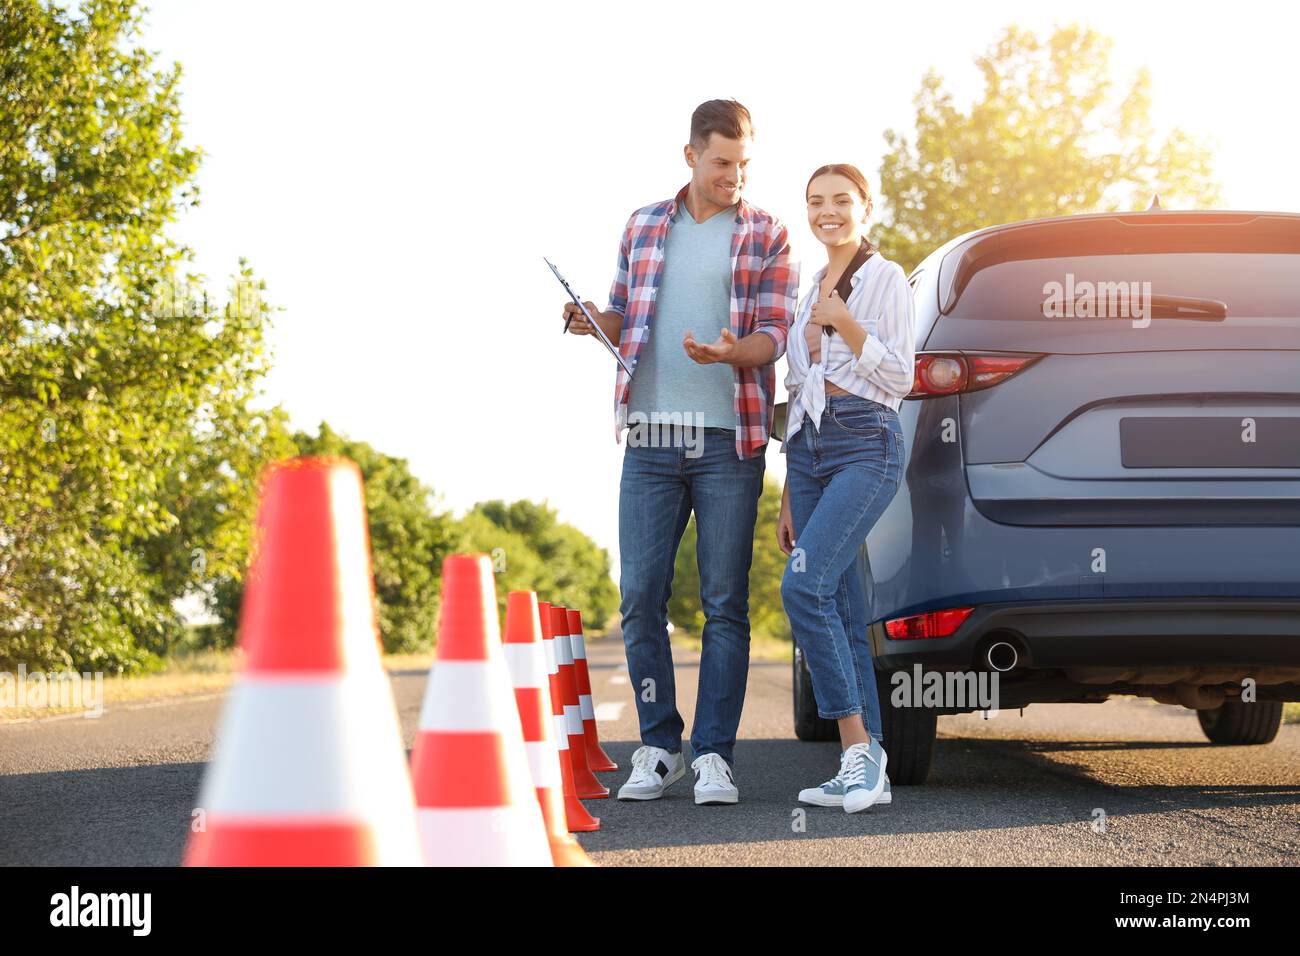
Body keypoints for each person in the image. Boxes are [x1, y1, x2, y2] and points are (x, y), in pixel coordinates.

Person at [562, 99, 797, 805]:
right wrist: (589, 322)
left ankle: (714, 756)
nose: (734, 177)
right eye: (722, 163)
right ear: (691, 156)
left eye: (744, 164)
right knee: (639, 598)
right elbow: (621, 314)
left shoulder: (769, 233)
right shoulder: (643, 225)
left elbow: (775, 334)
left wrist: (735, 352)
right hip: (652, 435)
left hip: (728, 438)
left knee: (724, 601)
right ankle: (659, 746)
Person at [777, 163, 915, 812]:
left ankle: (857, 750)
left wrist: (848, 324)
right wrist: (786, 487)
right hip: (808, 450)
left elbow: (901, 377)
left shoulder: (884, 278)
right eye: (815, 202)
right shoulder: (810, 290)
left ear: (865, 206)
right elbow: (796, 393)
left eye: (840, 201)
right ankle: (869, 770)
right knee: (840, 604)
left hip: (866, 442)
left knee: (803, 586)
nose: (826, 211)